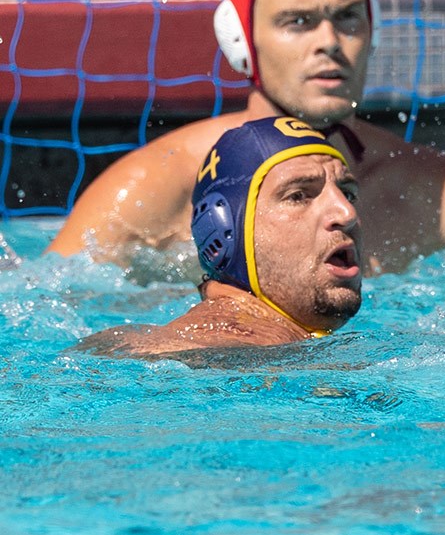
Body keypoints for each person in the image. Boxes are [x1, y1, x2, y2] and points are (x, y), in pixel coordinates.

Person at [49, 0, 445, 273]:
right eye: (298, 21)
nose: (329, 40)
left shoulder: (441, 194)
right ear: (239, 39)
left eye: (347, 17)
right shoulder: (157, 188)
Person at [78, 117, 363, 356]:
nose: (346, 213)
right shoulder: (227, 353)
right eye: (298, 195)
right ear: (224, 230)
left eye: (347, 193)